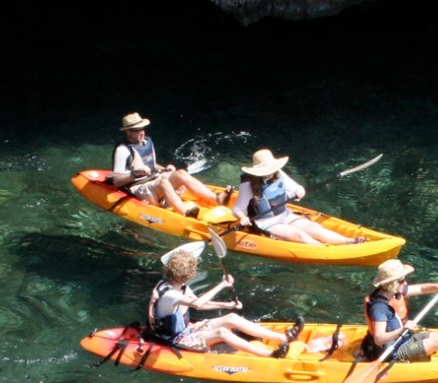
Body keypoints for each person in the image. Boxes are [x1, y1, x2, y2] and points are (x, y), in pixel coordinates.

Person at [146, 248, 296, 356]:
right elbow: (197, 304)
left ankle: (283, 338)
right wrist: (222, 284)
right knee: (221, 332)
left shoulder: (176, 285)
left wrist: (227, 305)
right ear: (189, 274)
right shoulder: (170, 294)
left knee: (232, 317)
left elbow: (200, 304)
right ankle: (269, 354)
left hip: (188, 330)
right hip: (177, 339)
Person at [231, 148, 357, 245]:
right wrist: (242, 217)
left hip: (285, 215)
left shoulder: (278, 173)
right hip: (266, 223)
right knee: (299, 235)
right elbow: (237, 209)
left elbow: (296, 188)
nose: (270, 172)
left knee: (314, 228)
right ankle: (325, 250)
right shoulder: (247, 185)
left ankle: (349, 241)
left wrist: (299, 191)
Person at [109, 112, 221, 215]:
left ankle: (217, 199)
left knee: (180, 173)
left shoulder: (147, 141)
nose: (141, 132)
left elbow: (152, 165)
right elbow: (116, 181)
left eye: (142, 128)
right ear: (128, 132)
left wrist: (165, 169)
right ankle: (185, 212)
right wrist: (134, 174)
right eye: (136, 130)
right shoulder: (122, 150)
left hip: (153, 179)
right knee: (163, 182)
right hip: (137, 186)